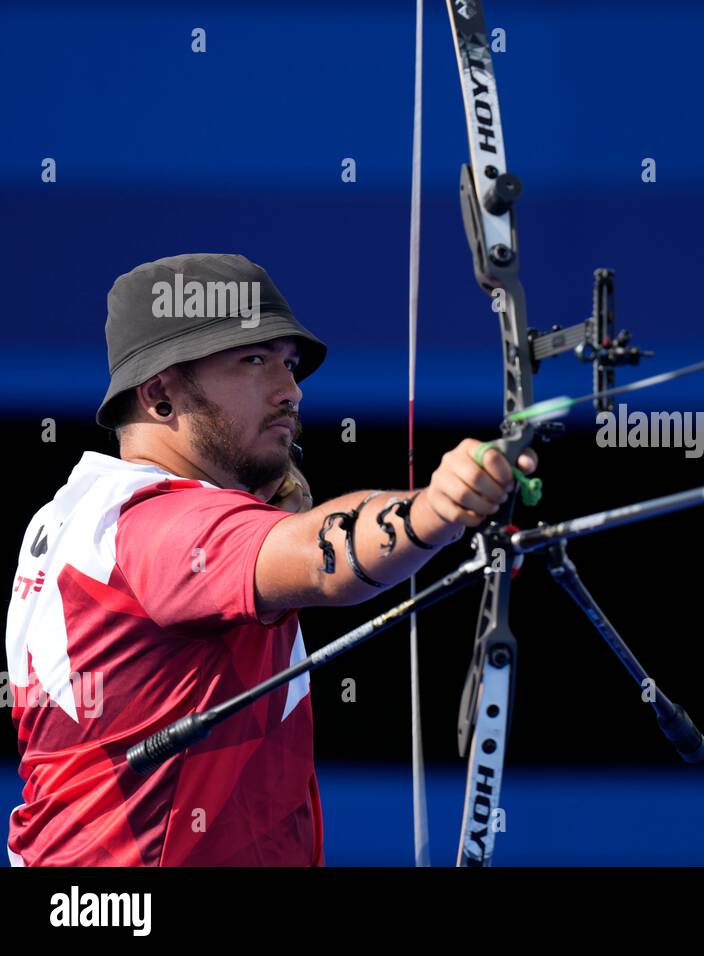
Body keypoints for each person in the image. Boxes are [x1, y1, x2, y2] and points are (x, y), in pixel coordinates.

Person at [5, 253, 534, 866]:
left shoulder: (80, 514)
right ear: (158, 396)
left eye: (287, 363)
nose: (291, 391)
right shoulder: (159, 527)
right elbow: (317, 558)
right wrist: (437, 509)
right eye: (253, 361)